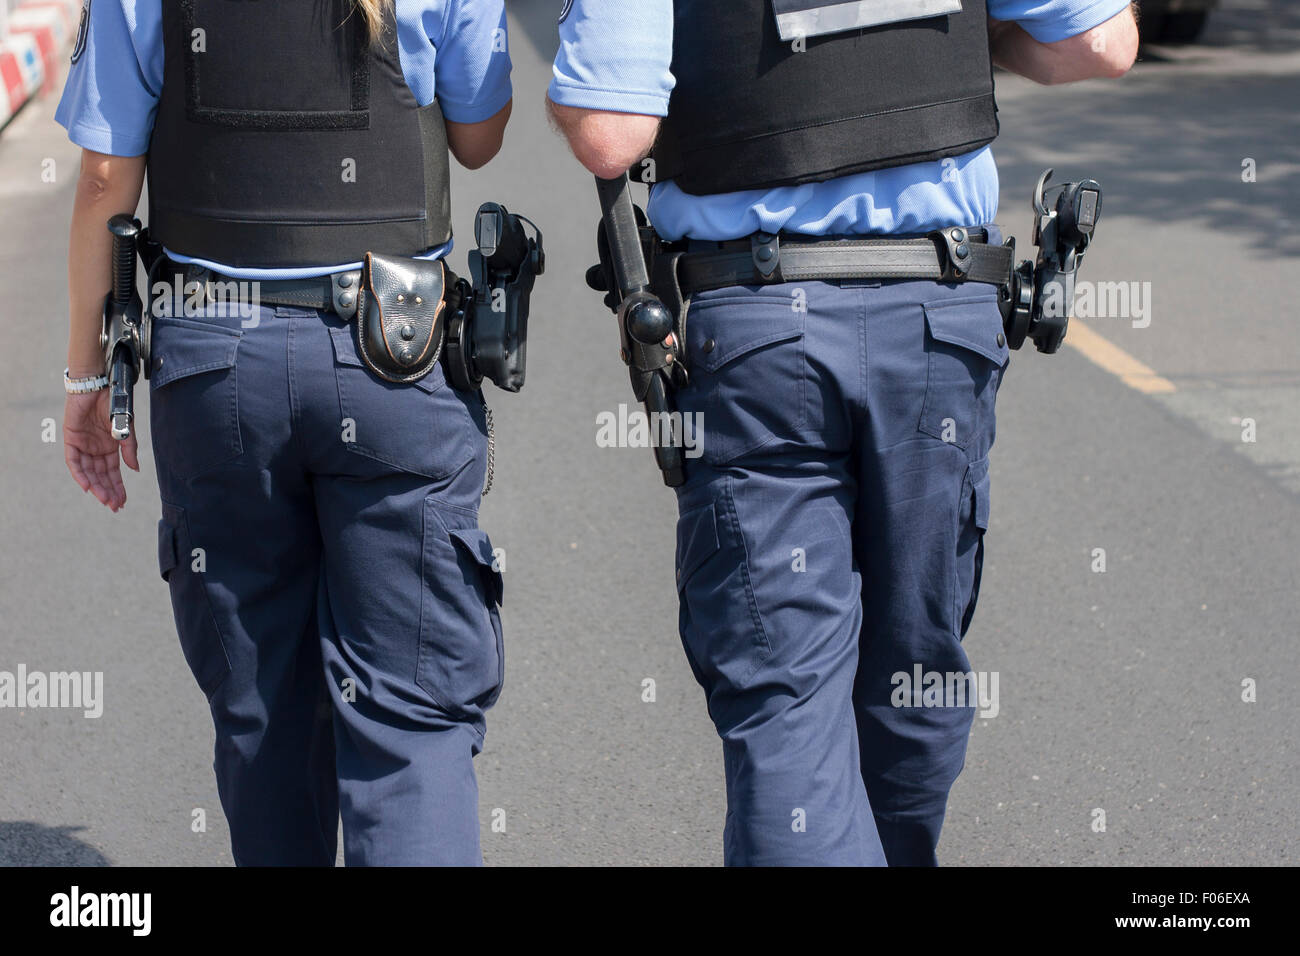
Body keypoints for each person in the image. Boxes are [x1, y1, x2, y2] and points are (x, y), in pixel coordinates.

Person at [549, 0, 1138, 865]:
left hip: (762, 331)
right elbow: (1102, 42)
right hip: (940, 316)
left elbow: (609, 132)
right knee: (914, 668)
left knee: (785, 695)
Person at [58, 0, 512, 866]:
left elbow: (102, 179)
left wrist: (87, 379)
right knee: (411, 722)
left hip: (213, 365)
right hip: (394, 353)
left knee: (261, 708)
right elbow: (478, 136)